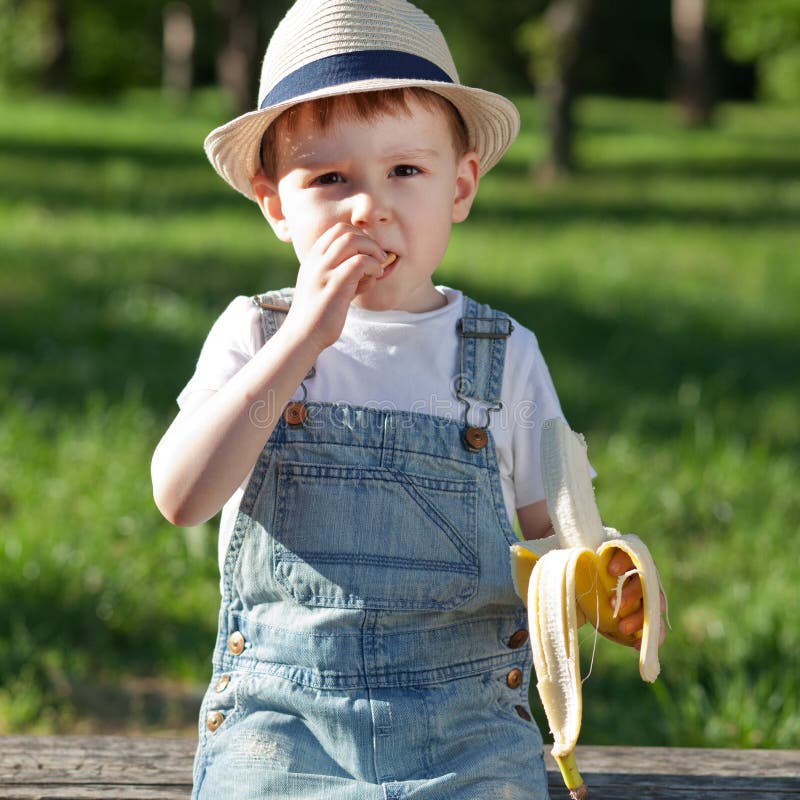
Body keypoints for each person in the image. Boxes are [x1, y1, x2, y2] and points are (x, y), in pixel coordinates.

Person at [151, 1, 658, 797]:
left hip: (468, 731)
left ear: (461, 187)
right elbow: (181, 497)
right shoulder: (255, 335)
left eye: (405, 172)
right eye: (330, 179)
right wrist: (301, 344)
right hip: (281, 727)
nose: (368, 207)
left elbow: (547, 539)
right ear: (275, 204)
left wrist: (597, 590)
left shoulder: (504, 356)